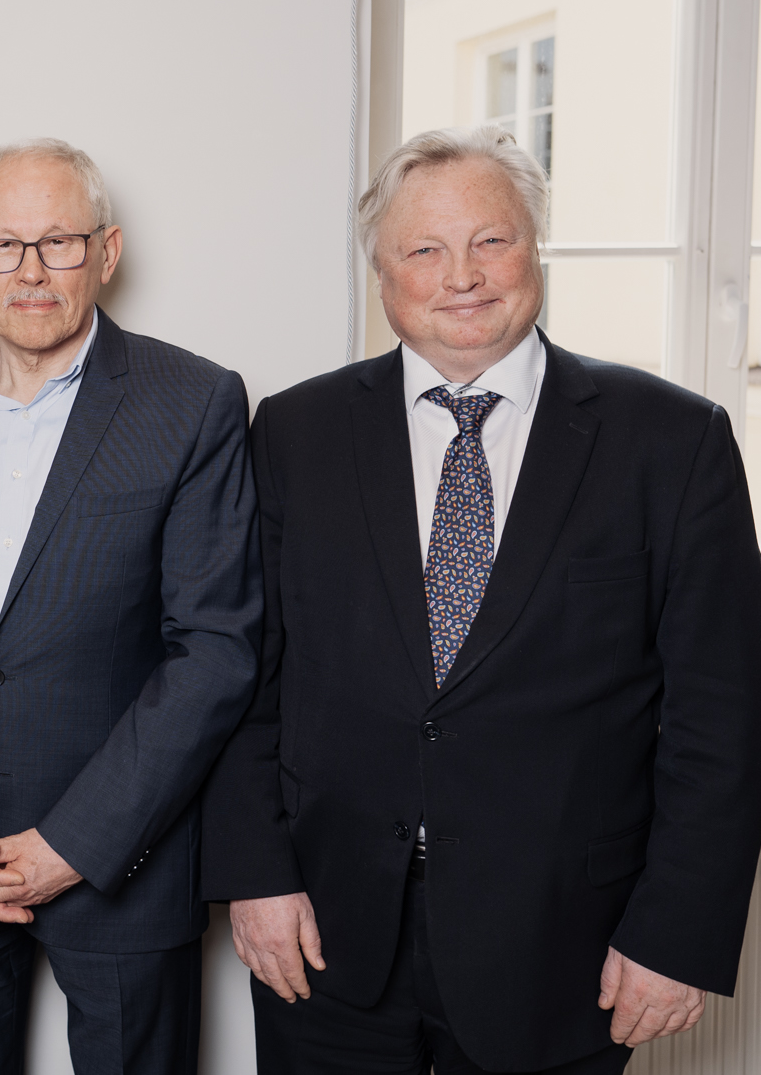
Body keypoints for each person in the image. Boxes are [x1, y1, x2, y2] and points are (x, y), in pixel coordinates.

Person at [202, 126, 761, 1073]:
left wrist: (678, 932)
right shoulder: (294, 431)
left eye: (490, 240)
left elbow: (722, 716)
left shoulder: (674, 442)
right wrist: (254, 876)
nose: (461, 275)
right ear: (382, 272)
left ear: (535, 248)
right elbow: (246, 673)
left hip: (567, 946)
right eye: (424, 248)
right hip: (328, 939)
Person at [0, 137, 262, 1074]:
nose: (29, 272)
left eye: (59, 242)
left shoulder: (193, 400)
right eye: (2, 245)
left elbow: (214, 651)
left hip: (120, 863)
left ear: (107, 253)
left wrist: (73, 842)